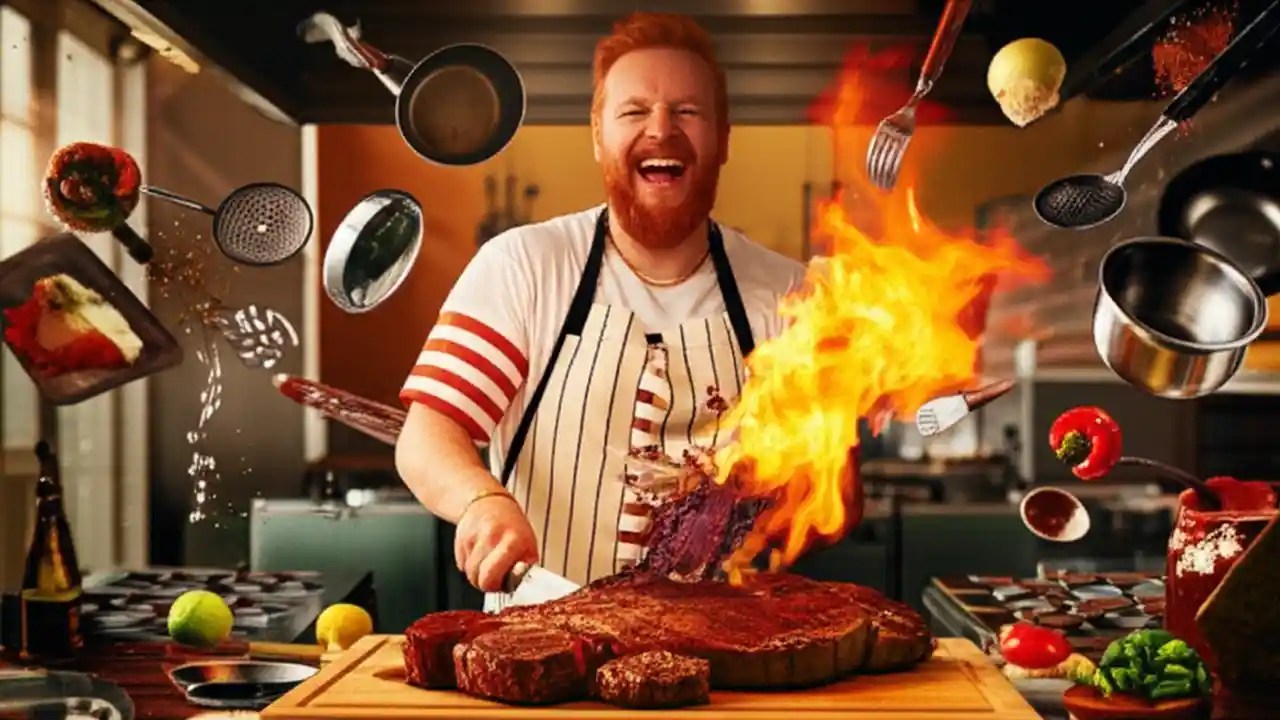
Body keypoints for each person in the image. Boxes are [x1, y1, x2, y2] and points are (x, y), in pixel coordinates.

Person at [395, 11, 805, 611]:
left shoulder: (784, 291)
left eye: (688, 112)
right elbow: (429, 435)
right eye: (634, 111)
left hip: (725, 669)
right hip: (540, 658)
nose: (661, 130)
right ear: (597, 136)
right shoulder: (526, 267)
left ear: (723, 139)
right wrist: (482, 501)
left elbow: (817, 485)